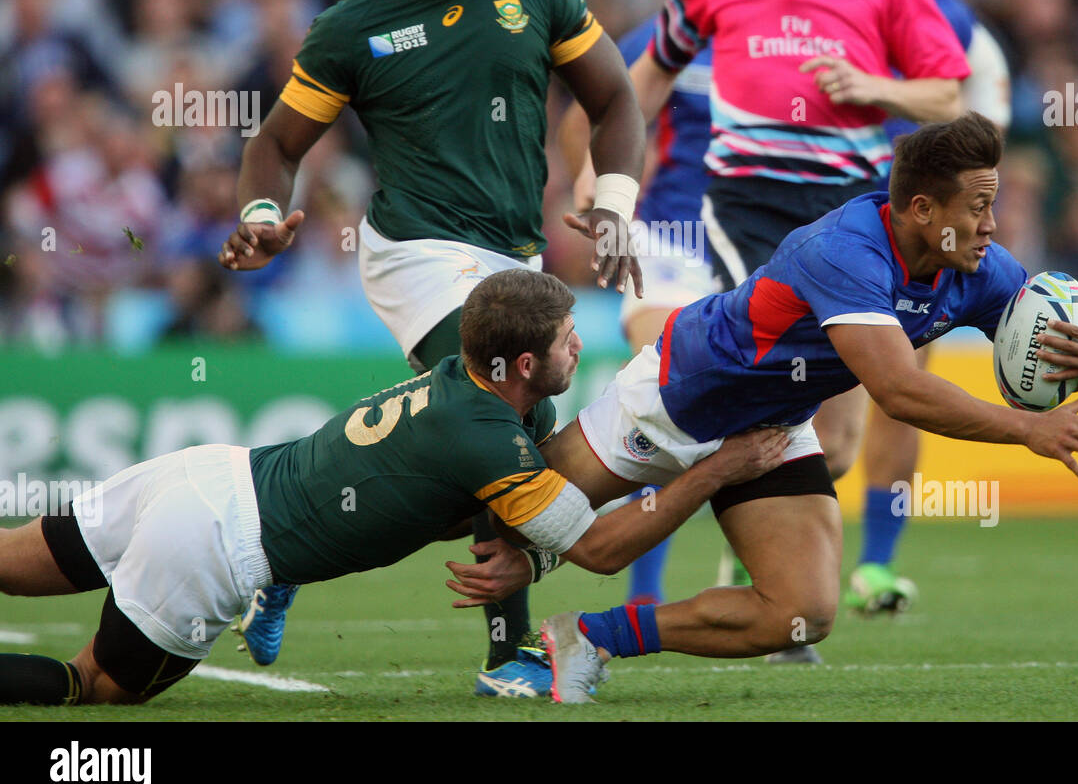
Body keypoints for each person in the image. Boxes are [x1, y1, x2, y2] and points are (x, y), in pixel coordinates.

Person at [444, 114, 1078, 703]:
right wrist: (1029, 430)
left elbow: (1053, 325)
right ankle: (503, 657)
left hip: (771, 426)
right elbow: (899, 390)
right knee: (503, 507)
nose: (993, 225)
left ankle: (587, 639)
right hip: (677, 398)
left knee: (801, 614)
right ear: (922, 210)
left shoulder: (976, 265)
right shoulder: (846, 252)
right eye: (978, 207)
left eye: (994, 204)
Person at [218, 0, 647, 696]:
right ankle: (508, 656)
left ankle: (288, 544)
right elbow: (275, 143)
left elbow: (615, 101)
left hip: (513, 256)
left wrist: (617, 203)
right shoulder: (353, 26)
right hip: (417, 250)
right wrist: (261, 214)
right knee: (505, 416)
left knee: (471, 457)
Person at [0, 270, 786, 706]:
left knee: (8, 561)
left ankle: (284, 584)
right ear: (517, 365)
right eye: (564, 339)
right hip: (211, 543)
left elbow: (510, 502)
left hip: (204, 472)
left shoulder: (486, 392)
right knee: (95, 690)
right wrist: (717, 466)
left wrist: (531, 557)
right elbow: (602, 549)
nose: (580, 345)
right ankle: (277, 585)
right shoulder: (488, 431)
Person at [622, 0, 971, 497]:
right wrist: (603, 178)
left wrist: (873, 86)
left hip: (845, 216)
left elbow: (946, 96)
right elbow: (649, 73)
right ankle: (629, 485)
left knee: (834, 445)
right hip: (743, 206)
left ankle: (740, 519)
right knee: (754, 379)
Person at [556, 0, 773, 615]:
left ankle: (760, 570)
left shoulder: (806, 48)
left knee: (767, 414)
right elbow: (590, 118)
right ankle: (643, 596)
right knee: (668, 397)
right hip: (672, 238)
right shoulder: (670, 36)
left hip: (766, 248)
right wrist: (596, 191)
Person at [836, 0, 1014, 614]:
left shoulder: (951, 23)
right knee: (815, 413)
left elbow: (979, 135)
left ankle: (875, 566)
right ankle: (761, 549)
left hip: (913, 238)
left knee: (901, 399)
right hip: (824, 232)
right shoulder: (807, 18)